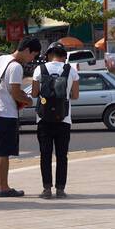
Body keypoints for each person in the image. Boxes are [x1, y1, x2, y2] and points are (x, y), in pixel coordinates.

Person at [0, 37, 41, 198]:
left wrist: (3, 93)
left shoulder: (1, 59)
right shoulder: (16, 67)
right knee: (3, 153)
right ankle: (4, 188)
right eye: (33, 55)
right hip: (7, 115)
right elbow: (16, 93)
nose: (32, 59)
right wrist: (28, 100)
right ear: (27, 50)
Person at [33, 42, 80, 200]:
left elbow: (34, 94)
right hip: (64, 119)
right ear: (64, 55)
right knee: (62, 156)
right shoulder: (71, 70)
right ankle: (60, 189)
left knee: (45, 155)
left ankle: (47, 189)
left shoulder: (40, 69)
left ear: (48, 54)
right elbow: (75, 95)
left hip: (43, 119)